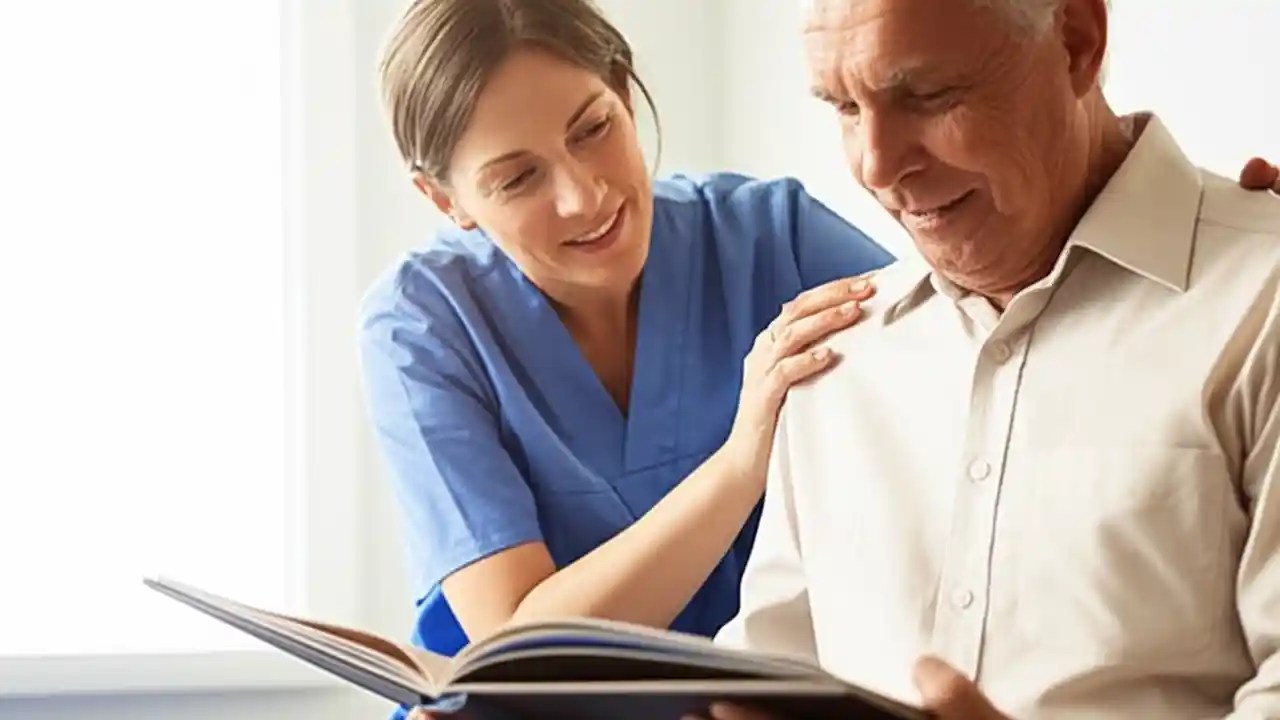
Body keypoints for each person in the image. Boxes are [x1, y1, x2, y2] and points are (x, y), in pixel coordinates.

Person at [358, 0, 1279, 707]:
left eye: (595, 127)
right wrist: (741, 460)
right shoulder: (423, 325)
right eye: (516, 178)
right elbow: (517, 649)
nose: (582, 194)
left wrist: (1225, 237)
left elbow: (1032, 298)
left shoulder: (780, 250)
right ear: (449, 202)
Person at [705, 0, 1280, 718]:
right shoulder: (832, 355)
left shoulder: (1263, 302)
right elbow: (771, 670)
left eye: (925, 94)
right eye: (844, 108)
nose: (876, 165)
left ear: (1076, 40)